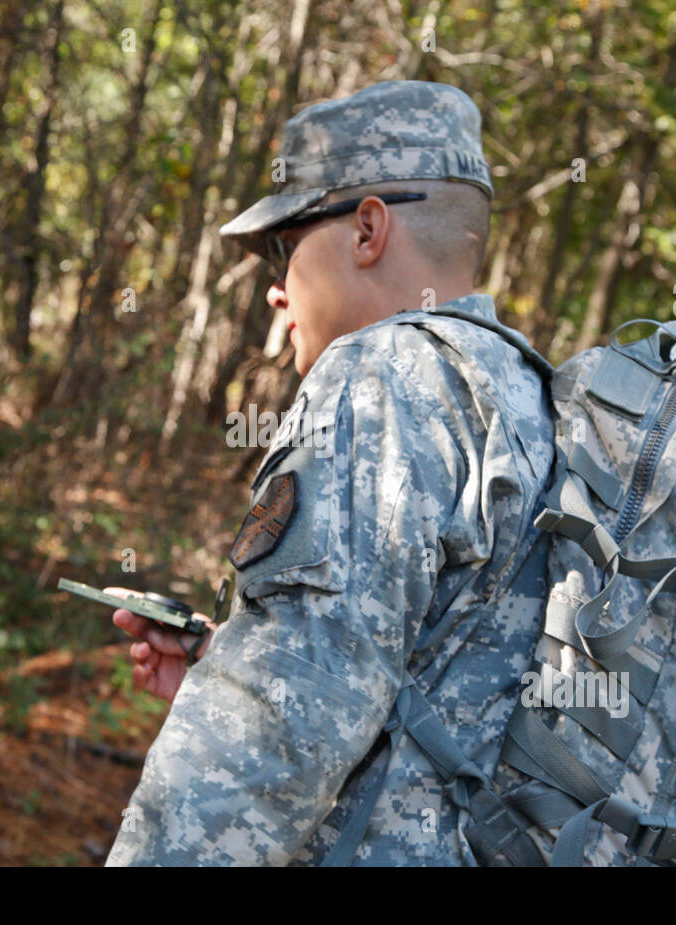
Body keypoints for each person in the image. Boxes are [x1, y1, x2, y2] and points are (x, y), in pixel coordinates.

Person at [105, 80, 556, 866]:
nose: (277, 286)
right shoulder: (530, 393)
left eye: (286, 245)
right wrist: (232, 667)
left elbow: (264, 748)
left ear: (368, 229)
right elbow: (454, 682)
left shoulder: (378, 378)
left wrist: (250, 705)